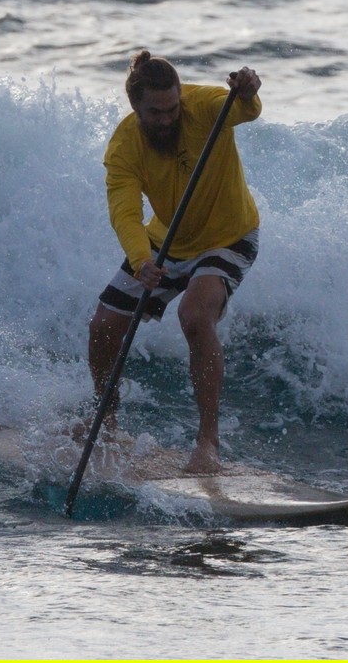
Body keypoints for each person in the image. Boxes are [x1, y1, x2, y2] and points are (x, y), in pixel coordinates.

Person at [87, 50, 262, 474]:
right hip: (166, 241)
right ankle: (106, 422)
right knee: (104, 326)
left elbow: (243, 110)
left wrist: (249, 90)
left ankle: (208, 445)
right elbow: (125, 212)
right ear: (135, 107)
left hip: (228, 236)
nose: (167, 118)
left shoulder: (203, 107)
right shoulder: (124, 146)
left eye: (171, 108)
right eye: (155, 112)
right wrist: (141, 260)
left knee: (194, 314)